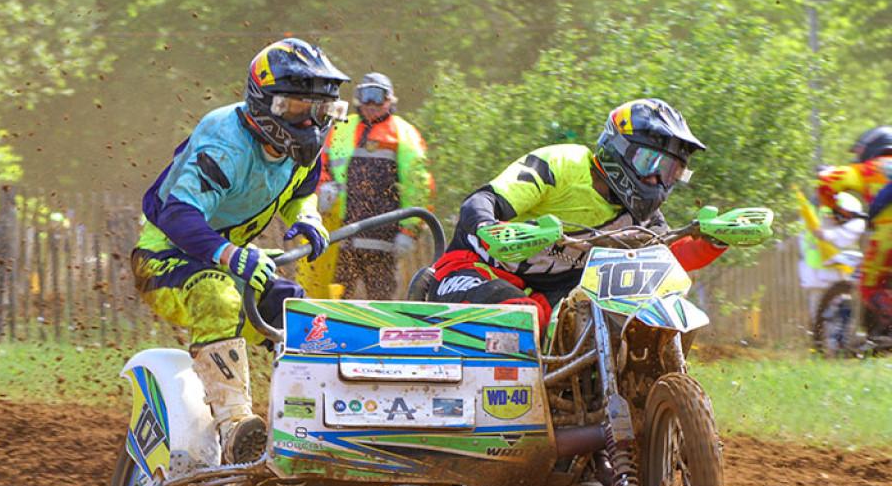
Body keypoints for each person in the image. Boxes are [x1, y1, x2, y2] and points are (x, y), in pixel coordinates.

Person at [131, 38, 349, 471]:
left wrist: (307, 218)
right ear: (264, 103)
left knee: (299, 311)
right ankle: (234, 430)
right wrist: (230, 255)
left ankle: (321, 426)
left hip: (224, 254)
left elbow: (300, 194)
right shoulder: (225, 142)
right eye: (296, 108)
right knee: (219, 296)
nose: (310, 120)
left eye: (321, 110)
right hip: (166, 258)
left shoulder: (303, 148)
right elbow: (177, 214)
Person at [426, 98, 727, 331]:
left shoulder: (642, 216)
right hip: (476, 269)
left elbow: (669, 257)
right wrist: (487, 226)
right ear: (618, 148)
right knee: (522, 317)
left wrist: (714, 240)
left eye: (669, 171)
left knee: (610, 318)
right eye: (650, 162)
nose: (657, 180)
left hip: (553, 293)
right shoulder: (561, 164)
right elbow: (482, 200)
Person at [301, 72, 435, 300]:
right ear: (357, 98)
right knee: (335, 301)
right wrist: (321, 189)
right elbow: (318, 164)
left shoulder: (404, 133)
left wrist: (410, 231)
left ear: (390, 99)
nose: (371, 103)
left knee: (380, 301)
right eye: (366, 95)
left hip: (383, 239)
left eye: (378, 96)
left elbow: (419, 186)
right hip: (341, 237)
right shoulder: (341, 127)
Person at [816, 126, 892, 325]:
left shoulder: (868, 169)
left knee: (869, 288)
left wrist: (836, 209)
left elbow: (827, 180)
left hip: (887, 236)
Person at [798, 191, 867, 318]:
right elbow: (804, 238)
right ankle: (821, 333)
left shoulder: (845, 201)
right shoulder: (808, 208)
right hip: (814, 269)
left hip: (841, 269)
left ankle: (839, 335)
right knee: (818, 311)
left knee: (842, 305)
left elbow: (853, 230)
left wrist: (827, 235)